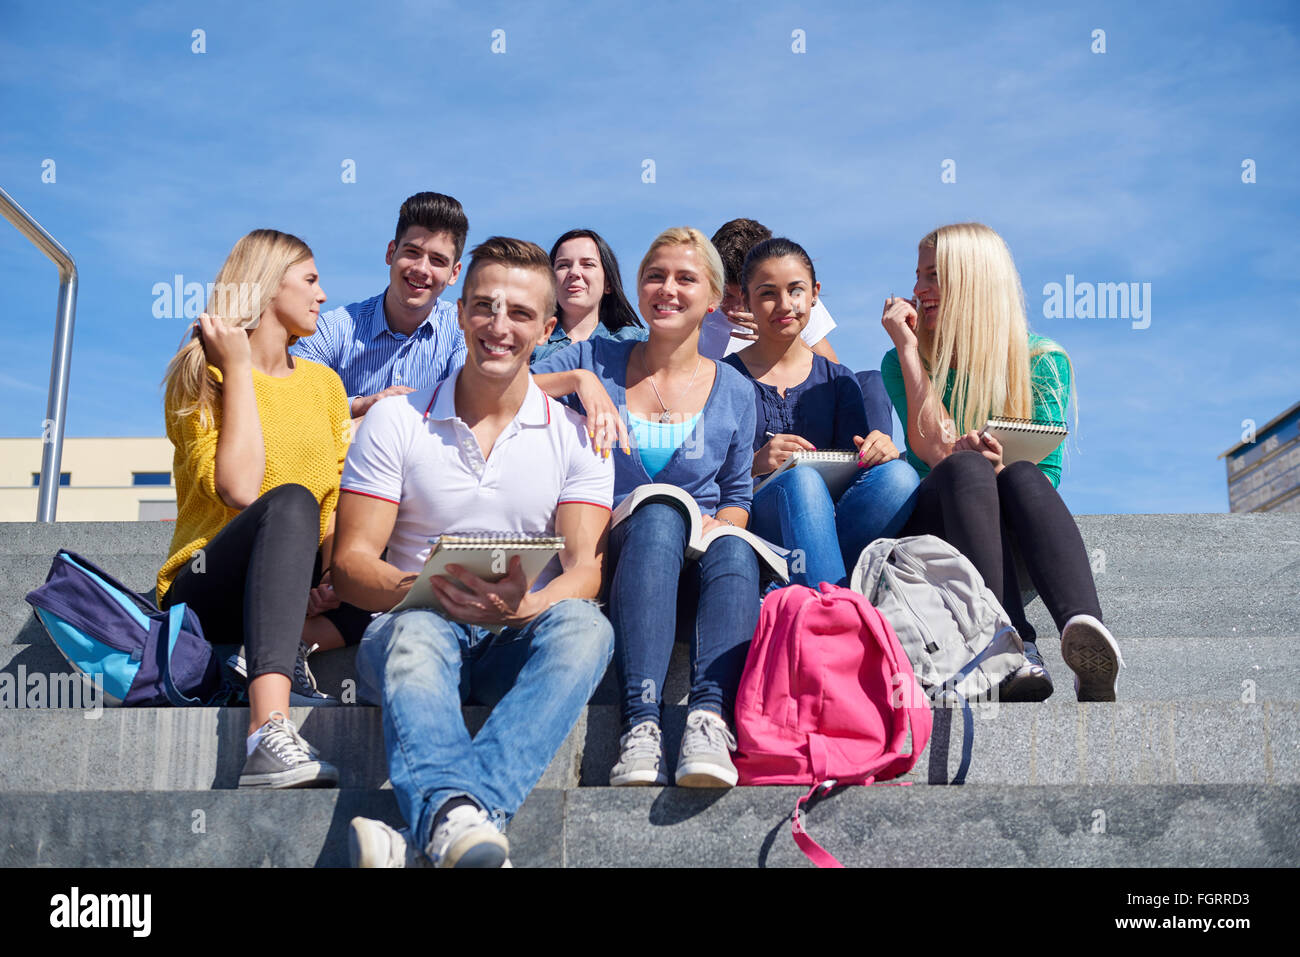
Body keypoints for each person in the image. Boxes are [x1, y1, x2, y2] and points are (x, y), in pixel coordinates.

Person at [334, 237, 615, 868]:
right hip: (413, 633)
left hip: (513, 639)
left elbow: (586, 570)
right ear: (459, 312)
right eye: (484, 307)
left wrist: (527, 607)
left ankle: (442, 824)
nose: (498, 326)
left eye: (519, 314)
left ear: (546, 329)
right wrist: (425, 589)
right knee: (416, 630)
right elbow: (350, 564)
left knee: (585, 628)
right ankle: (461, 818)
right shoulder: (396, 420)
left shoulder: (575, 438)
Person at [533, 227, 761, 789]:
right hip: (618, 555)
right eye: (655, 276)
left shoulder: (735, 389)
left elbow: (737, 496)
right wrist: (580, 379)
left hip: (699, 568)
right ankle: (641, 725)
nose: (667, 289)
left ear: (712, 297)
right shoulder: (595, 356)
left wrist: (718, 525)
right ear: (637, 288)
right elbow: (501, 388)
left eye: (686, 278)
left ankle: (709, 717)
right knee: (657, 513)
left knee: (734, 541)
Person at [880, 222, 1124, 702]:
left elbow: (1046, 477)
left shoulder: (1042, 360)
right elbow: (932, 451)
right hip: (937, 530)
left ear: (972, 282)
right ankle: (1011, 644)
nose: (917, 290)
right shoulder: (902, 360)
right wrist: (908, 351)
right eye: (917, 276)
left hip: (1012, 528)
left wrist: (998, 471)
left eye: (933, 276)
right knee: (964, 468)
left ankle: (1083, 628)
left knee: (1022, 473)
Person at [158, 228, 364, 789]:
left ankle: (281, 639)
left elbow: (338, 493)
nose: (323, 295)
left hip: (292, 586)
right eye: (311, 280)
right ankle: (266, 732)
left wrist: (330, 574)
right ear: (269, 285)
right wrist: (241, 368)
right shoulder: (202, 372)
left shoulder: (324, 385)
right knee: (288, 500)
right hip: (207, 590)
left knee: (387, 557)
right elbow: (241, 490)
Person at [725, 237, 919, 587]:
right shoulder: (722, 378)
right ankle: (835, 613)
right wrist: (755, 463)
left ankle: (813, 585)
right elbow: (705, 476)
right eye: (767, 293)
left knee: (900, 477)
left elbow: (854, 471)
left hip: (828, 520)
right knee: (801, 479)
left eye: (795, 290)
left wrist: (880, 451)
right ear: (746, 301)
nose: (785, 305)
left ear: (814, 293)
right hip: (758, 521)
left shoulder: (839, 380)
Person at [290, 191, 469, 419]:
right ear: (390, 253)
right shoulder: (332, 329)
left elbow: (472, 406)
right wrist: (361, 406)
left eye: (437, 260)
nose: (422, 269)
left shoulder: (464, 331)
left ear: (454, 273)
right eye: (412, 252)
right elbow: (295, 399)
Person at [703, 218, 839, 361]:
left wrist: (780, 339)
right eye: (726, 295)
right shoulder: (696, 308)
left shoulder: (795, 302)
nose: (734, 310)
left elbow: (832, 374)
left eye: (746, 296)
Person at [530, 228, 646, 365]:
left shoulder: (636, 342)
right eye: (563, 265)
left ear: (608, 284)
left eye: (588, 264)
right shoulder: (529, 343)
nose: (574, 272)